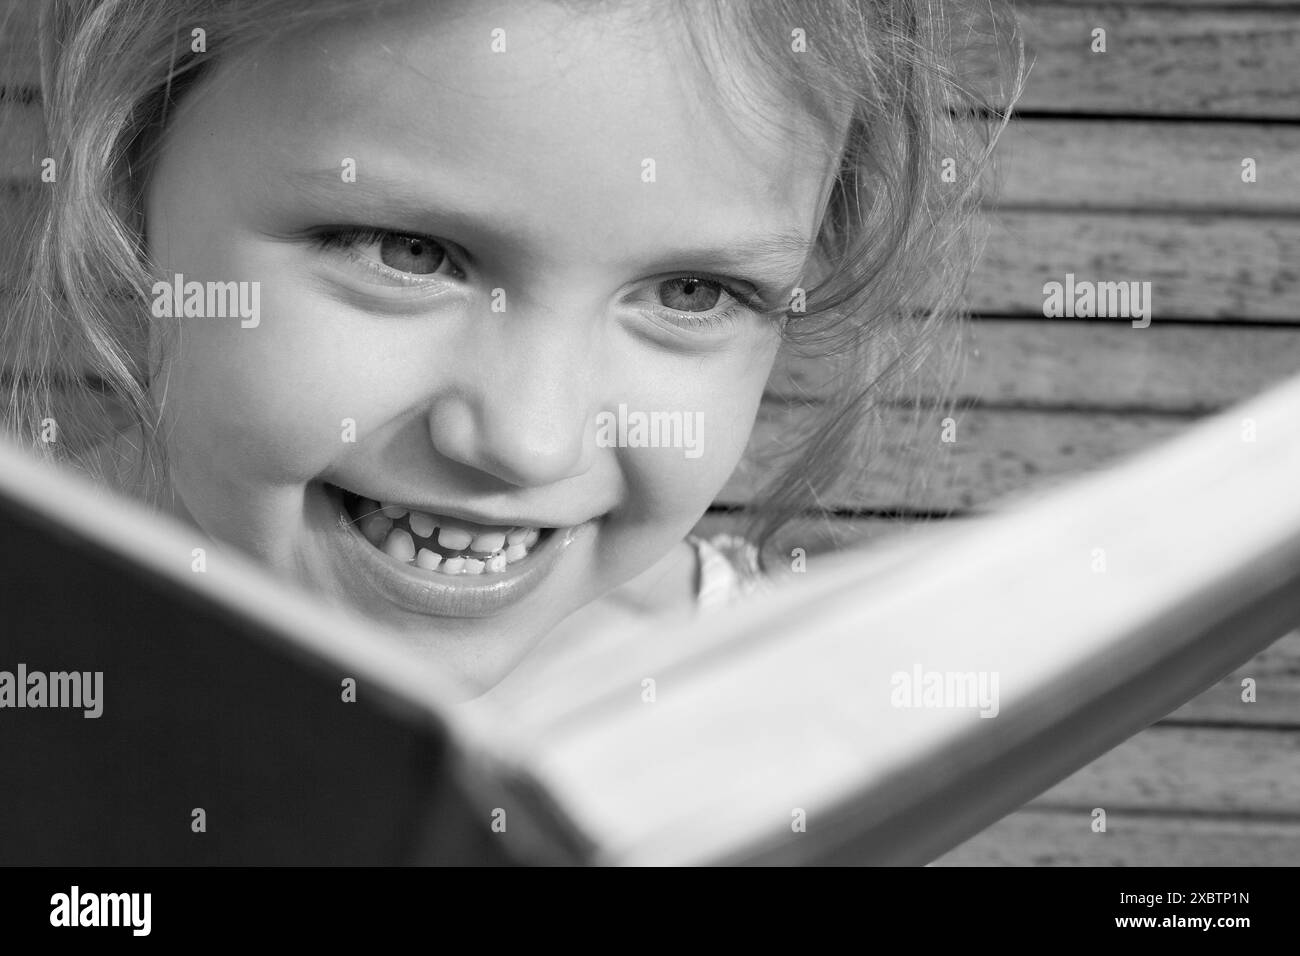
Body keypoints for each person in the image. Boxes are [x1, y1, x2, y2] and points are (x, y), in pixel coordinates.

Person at [1, 0, 1013, 696]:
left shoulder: (772, 701)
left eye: (693, 292)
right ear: (129, 169)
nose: (530, 442)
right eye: (409, 252)